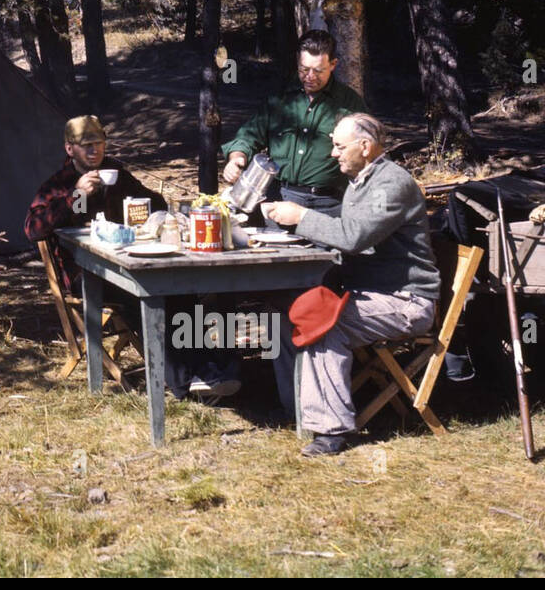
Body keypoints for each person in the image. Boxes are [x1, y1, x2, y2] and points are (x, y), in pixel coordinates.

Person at [24, 116, 240, 399]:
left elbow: (157, 202)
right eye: (86, 145)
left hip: (125, 263)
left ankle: (209, 369)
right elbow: (33, 228)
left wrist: (139, 206)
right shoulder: (60, 184)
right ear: (70, 149)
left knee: (180, 291)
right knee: (148, 295)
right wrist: (76, 196)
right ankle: (185, 382)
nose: (94, 151)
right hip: (85, 276)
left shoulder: (114, 172)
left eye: (99, 144)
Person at [265, 113, 441, 456]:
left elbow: (354, 236)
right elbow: (349, 227)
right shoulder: (363, 180)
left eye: (339, 146)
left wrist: (301, 217)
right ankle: (296, 409)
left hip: (406, 302)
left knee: (326, 324)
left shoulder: (391, 185)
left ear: (365, 146)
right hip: (374, 294)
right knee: (286, 311)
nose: (333, 153)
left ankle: (332, 430)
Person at [222, 30, 367, 214]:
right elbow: (249, 136)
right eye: (304, 69)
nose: (310, 77)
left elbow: (369, 150)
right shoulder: (280, 97)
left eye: (318, 70)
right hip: (278, 200)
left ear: (333, 64)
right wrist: (236, 159)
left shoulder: (350, 103)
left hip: (329, 205)